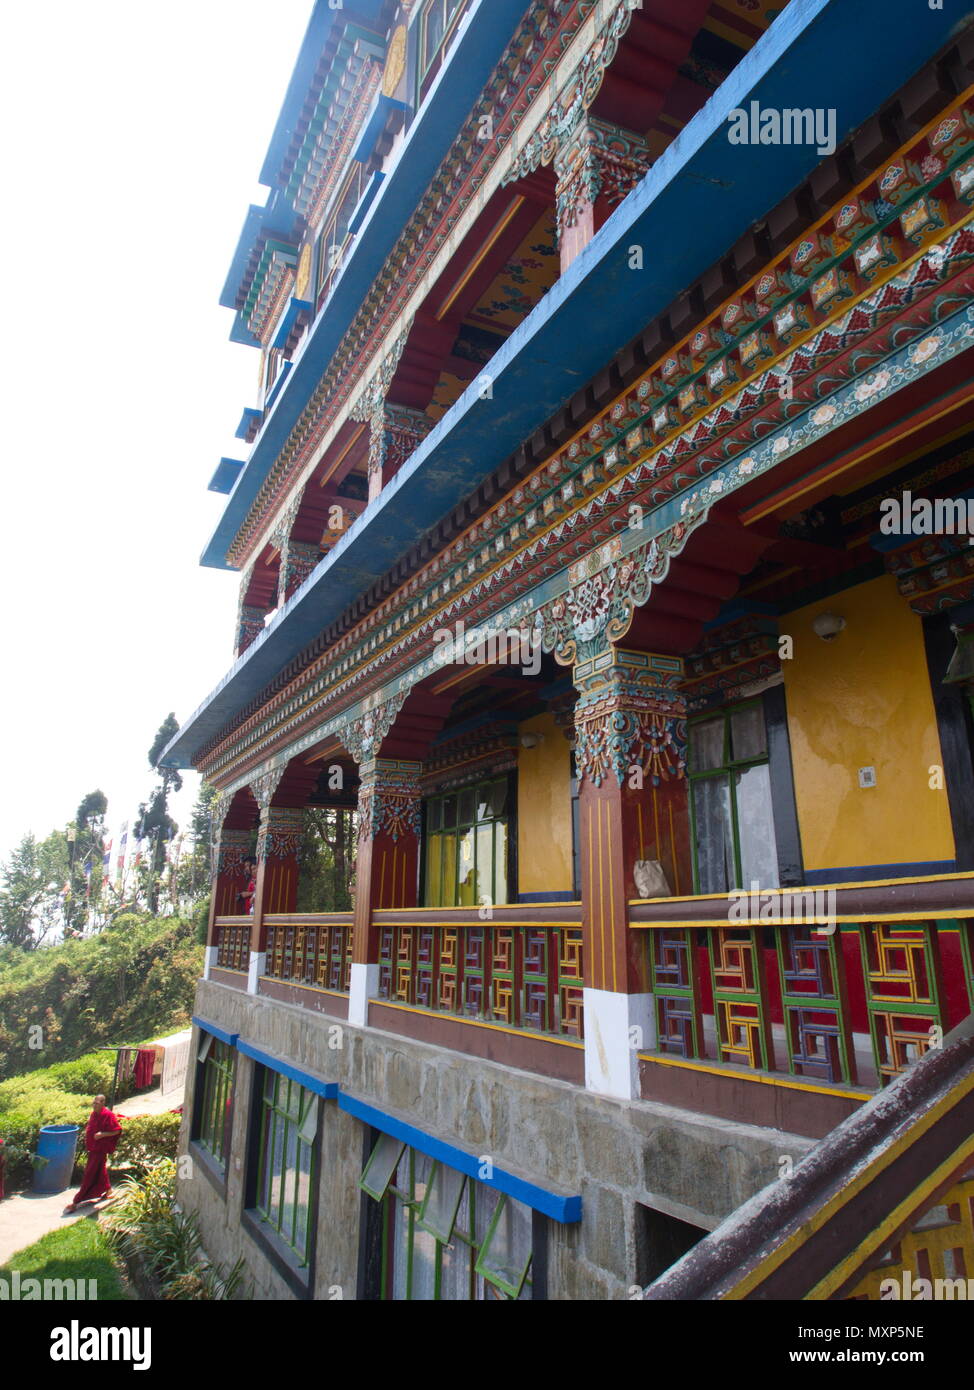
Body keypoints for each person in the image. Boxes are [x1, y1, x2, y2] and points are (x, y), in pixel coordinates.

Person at [63, 1095, 122, 1213]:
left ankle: (76, 1201)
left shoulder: (108, 1115)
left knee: (90, 1173)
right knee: (100, 1171)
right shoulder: (93, 1114)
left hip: (100, 1149)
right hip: (93, 1148)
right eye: (93, 1103)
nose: (94, 1105)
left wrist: (102, 1134)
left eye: (97, 1103)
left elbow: (117, 1130)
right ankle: (108, 1189)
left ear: (103, 1103)